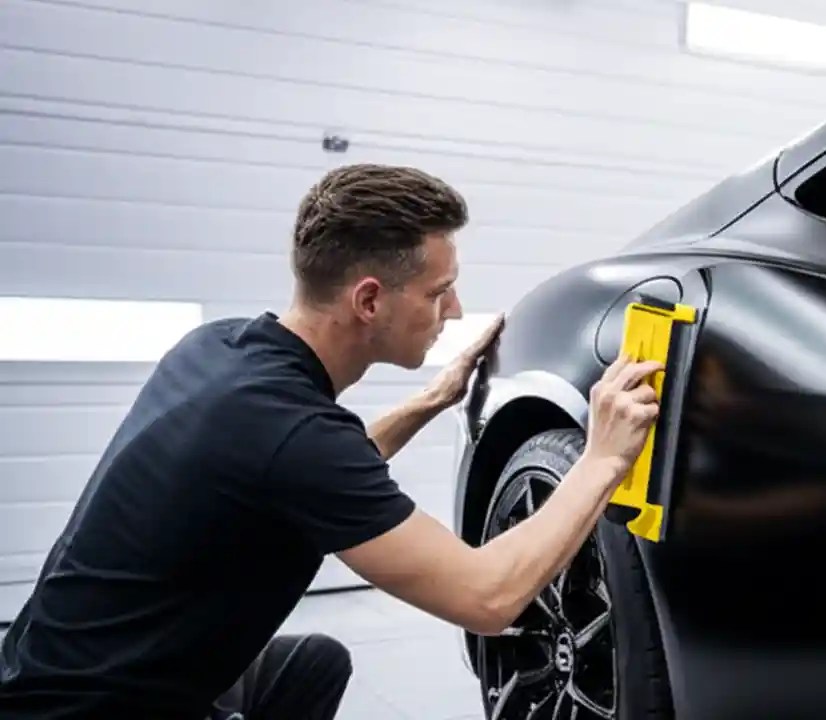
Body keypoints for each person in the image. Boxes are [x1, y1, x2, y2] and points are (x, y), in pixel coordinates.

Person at [0, 163, 663, 719]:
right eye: (439, 292)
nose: (454, 312)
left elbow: (310, 478)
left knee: (314, 665)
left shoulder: (221, 350)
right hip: (86, 713)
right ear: (369, 301)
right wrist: (601, 459)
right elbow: (486, 598)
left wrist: (432, 400)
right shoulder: (290, 434)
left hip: (42, 673)